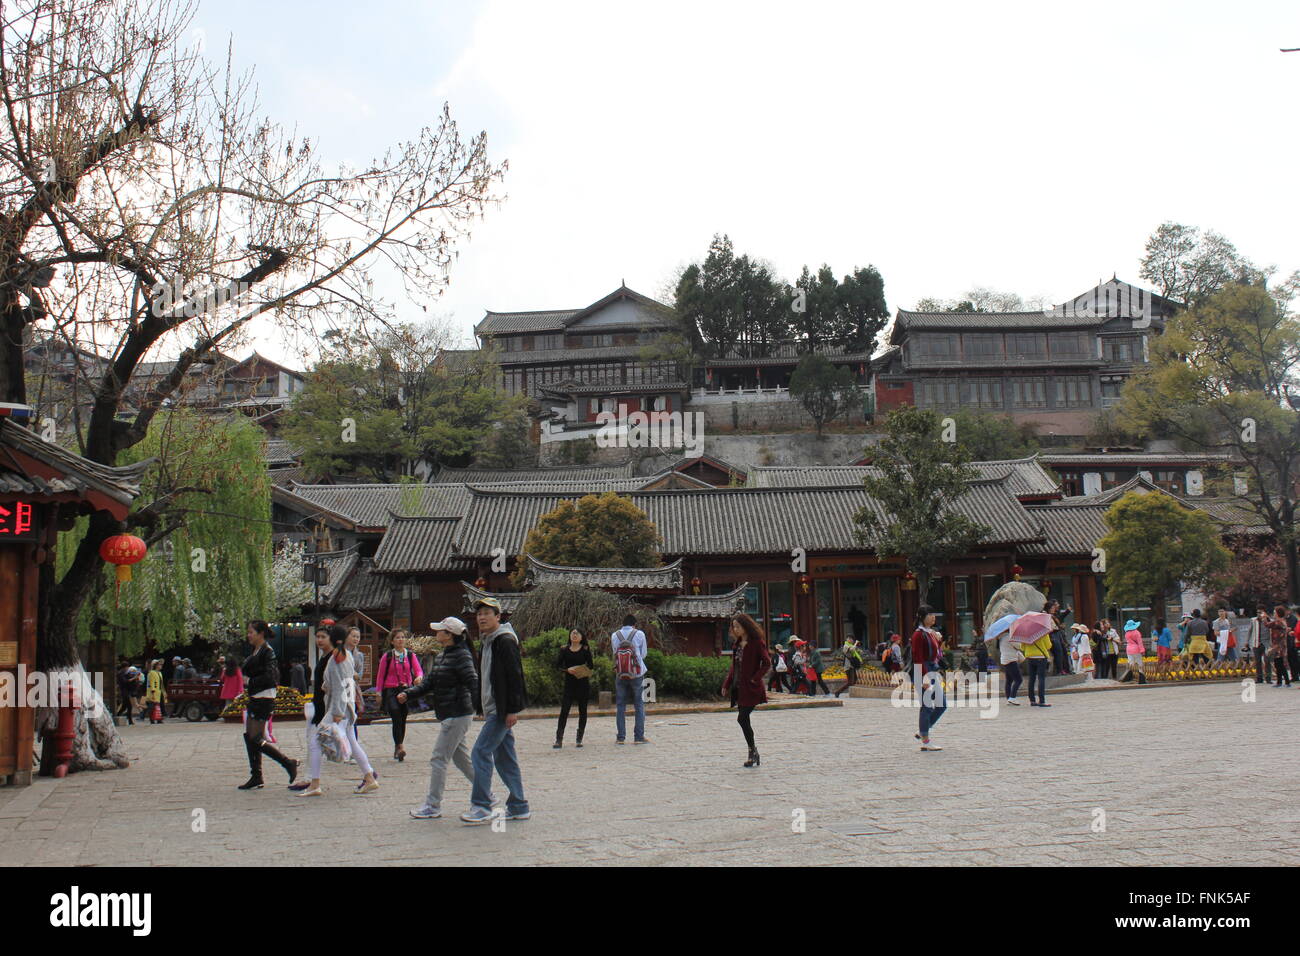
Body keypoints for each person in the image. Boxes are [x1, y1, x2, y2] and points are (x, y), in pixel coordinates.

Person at [401, 617, 480, 818]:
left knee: (438, 758)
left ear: (450, 635)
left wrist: (479, 706)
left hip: (458, 713)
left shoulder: (462, 656)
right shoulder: (443, 655)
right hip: (449, 713)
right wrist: (409, 694)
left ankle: (433, 805)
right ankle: (486, 793)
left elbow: (472, 681)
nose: (437, 633)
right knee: (461, 760)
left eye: (441, 631)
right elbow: (430, 683)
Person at [463, 597, 530, 825]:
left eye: (487, 613)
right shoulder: (488, 641)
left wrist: (512, 709)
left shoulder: (504, 641)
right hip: (494, 708)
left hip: (502, 711)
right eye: (479, 614)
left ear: (498, 617)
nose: (481, 617)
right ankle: (519, 806)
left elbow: (514, 676)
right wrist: (482, 706)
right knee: (505, 758)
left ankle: (482, 805)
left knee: (480, 752)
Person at [237, 621, 298, 790]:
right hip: (255, 695)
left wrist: (250, 681)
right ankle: (256, 775)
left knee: (255, 738)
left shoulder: (267, 652)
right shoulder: (255, 650)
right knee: (249, 736)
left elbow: (271, 677)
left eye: (251, 632)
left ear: (261, 633)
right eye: (248, 632)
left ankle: (287, 762)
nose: (248, 635)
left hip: (264, 697)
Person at [320, 624, 379, 794]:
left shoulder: (338, 658)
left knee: (316, 740)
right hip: (346, 705)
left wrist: (338, 711)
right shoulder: (345, 656)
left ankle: (313, 781)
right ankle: (369, 775)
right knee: (353, 742)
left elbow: (341, 685)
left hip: (340, 707)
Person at [721, 613, 771, 767]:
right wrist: (726, 684)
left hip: (751, 688)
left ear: (746, 626)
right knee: (744, 719)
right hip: (739, 687)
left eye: (738, 626)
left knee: (742, 718)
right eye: (733, 627)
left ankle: (753, 751)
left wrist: (755, 678)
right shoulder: (736, 644)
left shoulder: (757, 643)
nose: (735, 629)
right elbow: (733, 668)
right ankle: (753, 752)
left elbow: (767, 663)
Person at [291, 628, 334, 795]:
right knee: (312, 742)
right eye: (318, 637)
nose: (320, 640)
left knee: (315, 743)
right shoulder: (323, 657)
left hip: (328, 707)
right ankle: (310, 779)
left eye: (323, 637)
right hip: (318, 705)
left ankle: (313, 781)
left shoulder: (333, 659)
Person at [376, 629, 424, 762]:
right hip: (391, 690)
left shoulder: (410, 655)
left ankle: (398, 745)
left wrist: (419, 677)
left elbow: (418, 669)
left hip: (405, 689)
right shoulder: (388, 656)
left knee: (402, 718)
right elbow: (380, 676)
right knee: (396, 714)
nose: (400, 640)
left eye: (402, 637)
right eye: (397, 638)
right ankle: (400, 746)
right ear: (392, 641)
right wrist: (378, 692)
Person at [911, 606, 947, 749]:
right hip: (923, 671)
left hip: (932, 670)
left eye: (934, 614)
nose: (933, 617)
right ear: (922, 617)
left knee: (942, 704)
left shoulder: (930, 633)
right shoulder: (918, 635)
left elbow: (935, 654)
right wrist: (924, 676)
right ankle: (925, 740)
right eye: (930, 614)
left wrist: (938, 640)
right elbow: (918, 657)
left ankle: (923, 730)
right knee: (926, 706)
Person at [611, 614, 650, 745]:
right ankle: (639, 737)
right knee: (639, 704)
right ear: (634, 624)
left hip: (620, 673)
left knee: (620, 705)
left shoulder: (615, 635)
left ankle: (620, 737)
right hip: (637, 674)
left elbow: (614, 652)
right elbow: (643, 654)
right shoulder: (639, 634)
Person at [553, 626, 593, 748]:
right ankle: (559, 739)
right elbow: (557, 666)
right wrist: (567, 670)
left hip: (582, 683)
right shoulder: (564, 649)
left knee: (583, 711)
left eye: (577, 633)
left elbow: (591, 665)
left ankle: (579, 738)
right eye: (573, 633)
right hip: (569, 684)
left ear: (582, 637)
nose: (574, 635)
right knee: (564, 711)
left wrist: (580, 669)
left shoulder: (585, 649)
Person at [1021, 623, 1054, 705]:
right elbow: (1049, 646)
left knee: (1031, 679)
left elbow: (1022, 647)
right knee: (1041, 678)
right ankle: (1042, 700)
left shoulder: (1026, 634)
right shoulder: (1043, 632)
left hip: (1030, 658)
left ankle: (1032, 700)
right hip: (1041, 657)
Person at [998, 624, 1024, 705]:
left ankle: (1009, 698)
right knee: (1018, 680)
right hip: (1011, 660)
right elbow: (1019, 646)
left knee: (1009, 680)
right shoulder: (1010, 637)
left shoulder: (1001, 638)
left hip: (1005, 660)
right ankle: (1012, 697)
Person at [1267, 605, 1293, 687]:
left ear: (1278, 613)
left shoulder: (1279, 622)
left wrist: (1264, 617)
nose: (1274, 614)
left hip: (1279, 646)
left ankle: (1284, 681)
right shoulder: (1281, 621)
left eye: (1275, 612)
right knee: (1278, 664)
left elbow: (1267, 624)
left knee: (1280, 664)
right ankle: (1282, 681)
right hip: (1278, 645)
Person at [1122, 619, 1147, 685]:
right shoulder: (1137, 632)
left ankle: (1128, 677)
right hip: (1136, 649)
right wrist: (1142, 650)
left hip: (1129, 649)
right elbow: (1140, 642)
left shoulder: (1126, 633)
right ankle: (1141, 679)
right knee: (1139, 664)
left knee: (1131, 663)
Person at [1249, 609, 1268, 683]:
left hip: (1266, 643)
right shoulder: (1253, 620)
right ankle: (1259, 678)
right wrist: (1247, 641)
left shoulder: (1268, 620)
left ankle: (1268, 678)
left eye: (1260, 612)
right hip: (1256, 643)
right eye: (1257, 612)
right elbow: (1250, 630)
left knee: (1267, 661)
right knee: (1257, 661)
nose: (1259, 614)